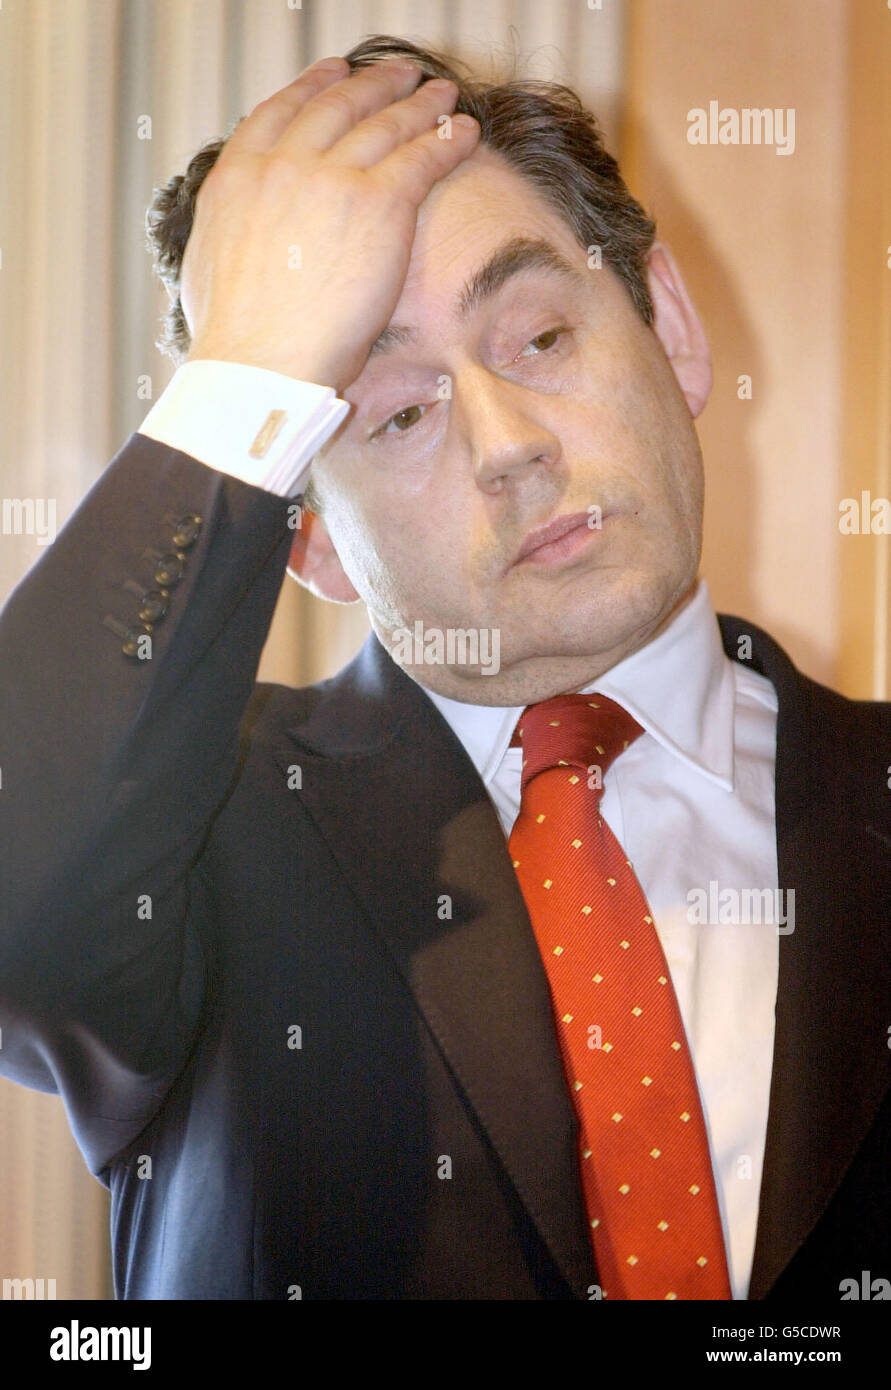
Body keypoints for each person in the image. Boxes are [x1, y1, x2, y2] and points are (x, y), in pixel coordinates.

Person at [0, 33, 888, 1302]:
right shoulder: (194, 839)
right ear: (308, 540)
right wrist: (251, 363)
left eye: (537, 336)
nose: (510, 445)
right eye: (400, 412)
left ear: (672, 327)